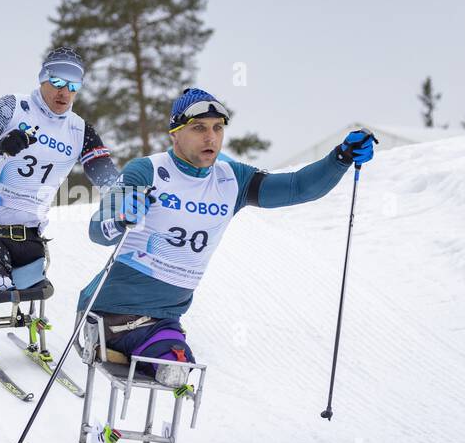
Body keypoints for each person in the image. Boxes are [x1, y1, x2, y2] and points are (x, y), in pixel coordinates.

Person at [79, 88, 376, 386]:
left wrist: (340, 158)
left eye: (217, 128)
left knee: (177, 371)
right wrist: (119, 218)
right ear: (175, 133)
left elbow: (299, 187)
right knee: (167, 371)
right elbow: (98, 231)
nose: (211, 138)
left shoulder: (232, 179)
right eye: (198, 128)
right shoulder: (148, 171)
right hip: (109, 312)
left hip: (162, 320)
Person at [0, 47, 118, 291]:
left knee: (33, 293)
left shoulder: (80, 130)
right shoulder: (13, 107)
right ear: (43, 79)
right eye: (58, 81)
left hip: (28, 238)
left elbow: (107, 177)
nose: (64, 92)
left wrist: (131, 195)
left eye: (73, 86)